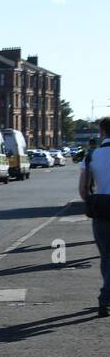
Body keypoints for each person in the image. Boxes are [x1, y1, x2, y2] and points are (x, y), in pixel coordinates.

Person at [79, 117, 110, 317]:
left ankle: (105, 298)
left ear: (101, 132)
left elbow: (83, 190)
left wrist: (91, 203)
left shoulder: (91, 156)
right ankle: (105, 297)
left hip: (102, 210)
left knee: (106, 256)